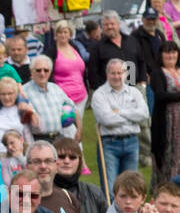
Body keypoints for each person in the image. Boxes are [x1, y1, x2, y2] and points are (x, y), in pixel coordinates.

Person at [92, 59, 150, 192]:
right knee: (110, 187)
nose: (117, 76)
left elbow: (144, 114)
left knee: (131, 186)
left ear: (125, 73)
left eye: (120, 73)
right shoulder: (99, 94)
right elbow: (107, 120)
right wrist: (132, 117)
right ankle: (110, 212)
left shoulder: (134, 92)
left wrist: (119, 112)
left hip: (132, 142)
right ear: (107, 74)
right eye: (113, 73)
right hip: (109, 144)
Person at [24, 54, 80, 145]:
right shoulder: (24, 92)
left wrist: (79, 131)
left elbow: (73, 107)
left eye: (46, 70)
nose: (42, 73)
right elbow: (24, 125)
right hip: (38, 141)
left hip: (59, 138)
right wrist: (30, 145)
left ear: (50, 72)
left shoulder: (56, 89)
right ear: (31, 71)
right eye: (38, 70)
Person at [88, 11, 146, 91]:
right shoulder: (97, 47)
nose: (109, 27)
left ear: (118, 25)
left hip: (135, 88)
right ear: (102, 27)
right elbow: (92, 73)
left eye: (112, 24)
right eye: (106, 25)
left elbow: (141, 61)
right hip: (111, 92)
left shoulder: (132, 41)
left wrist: (143, 83)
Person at [150, 40, 180, 183]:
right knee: (169, 153)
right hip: (167, 120)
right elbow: (160, 95)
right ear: (161, 55)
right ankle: (168, 185)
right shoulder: (157, 73)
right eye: (167, 52)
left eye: (173, 52)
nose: (170, 55)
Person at [49, 20, 90, 121]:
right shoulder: (52, 51)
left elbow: (82, 71)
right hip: (63, 98)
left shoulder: (75, 47)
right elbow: (47, 74)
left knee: (79, 130)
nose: (63, 35)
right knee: (68, 130)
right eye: (60, 32)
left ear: (70, 34)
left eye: (65, 32)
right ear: (56, 34)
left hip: (81, 96)